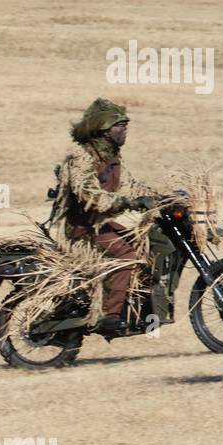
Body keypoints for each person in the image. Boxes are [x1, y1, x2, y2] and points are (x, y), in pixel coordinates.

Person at [56, 98, 161, 336]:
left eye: (126, 124)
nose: (125, 128)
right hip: (81, 231)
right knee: (126, 256)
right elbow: (91, 197)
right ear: (103, 129)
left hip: (99, 226)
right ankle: (108, 316)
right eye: (119, 125)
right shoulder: (81, 158)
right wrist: (129, 202)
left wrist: (162, 198)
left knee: (145, 247)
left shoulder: (112, 157)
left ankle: (140, 315)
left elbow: (132, 186)